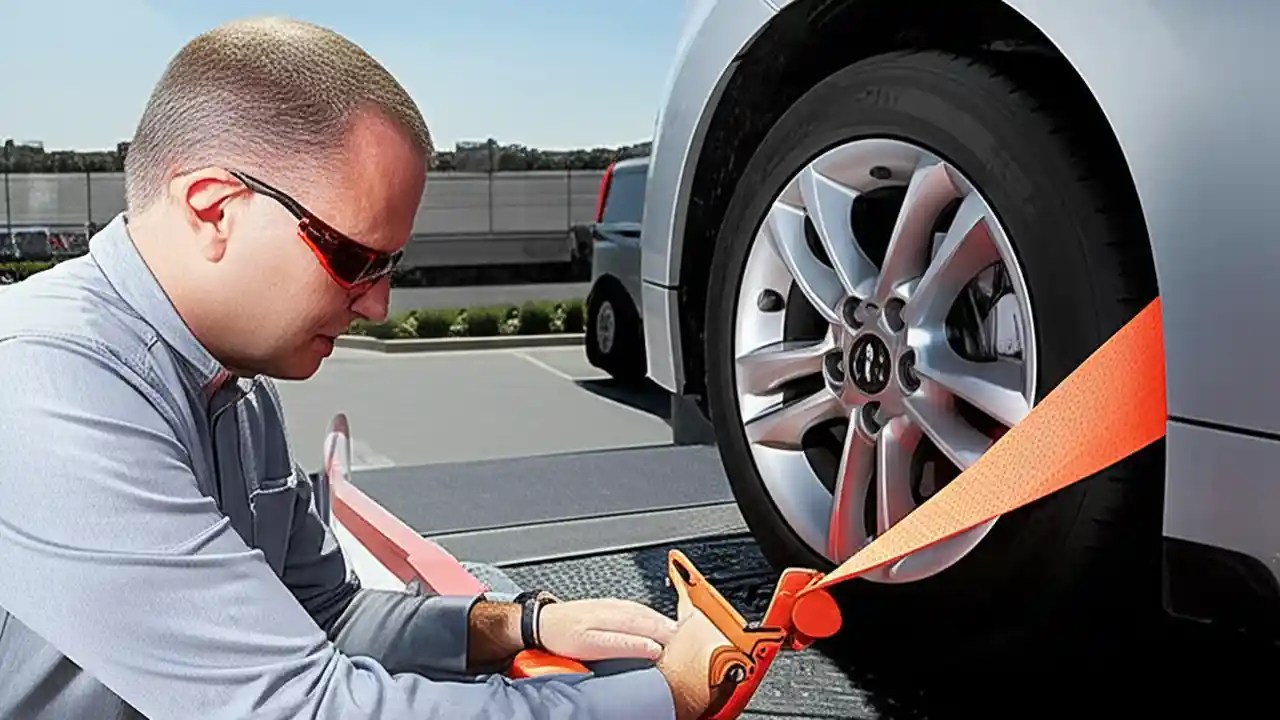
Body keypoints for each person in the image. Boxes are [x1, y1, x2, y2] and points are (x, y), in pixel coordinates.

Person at [0, 16, 729, 720]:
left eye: (389, 266)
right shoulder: (46, 383)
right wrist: (664, 698)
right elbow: (298, 707)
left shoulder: (236, 387)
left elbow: (327, 613)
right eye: (354, 259)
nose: (377, 305)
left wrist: (520, 624)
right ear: (214, 209)